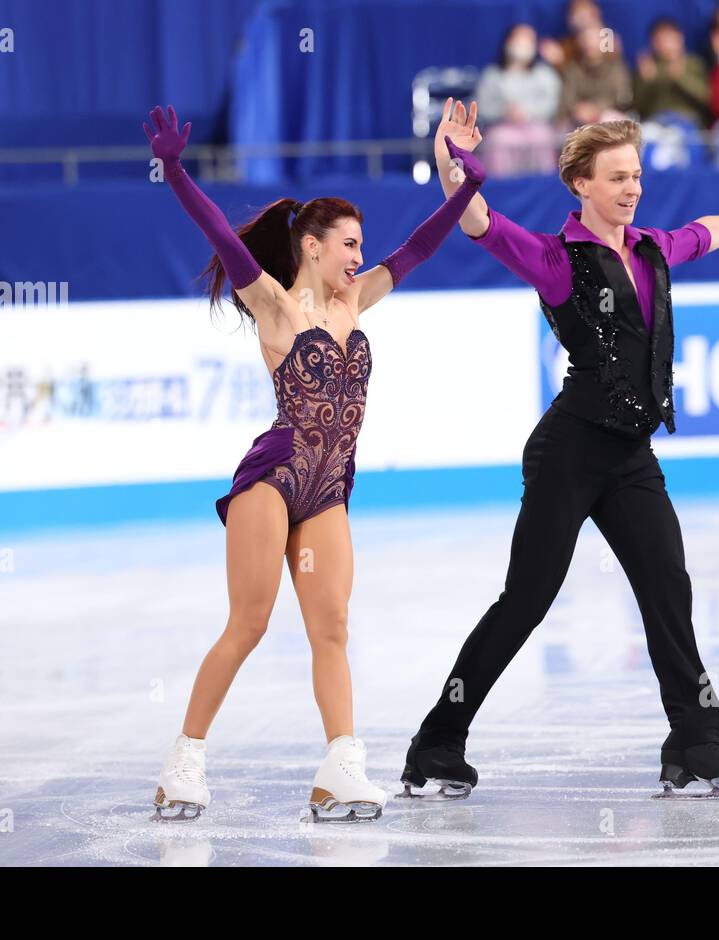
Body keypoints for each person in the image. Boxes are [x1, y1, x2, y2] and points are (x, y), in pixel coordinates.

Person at [400, 99, 719, 801]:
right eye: (617, 177)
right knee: (525, 600)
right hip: (569, 452)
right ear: (581, 185)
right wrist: (452, 170)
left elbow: (702, 233)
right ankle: (437, 743)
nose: (631, 188)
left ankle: (694, 743)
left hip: (629, 454)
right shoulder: (558, 260)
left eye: (636, 176)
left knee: (667, 586)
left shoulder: (651, 246)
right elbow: (479, 224)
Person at [141, 105, 485, 822]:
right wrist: (174, 170)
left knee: (332, 629)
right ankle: (184, 762)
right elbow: (213, 230)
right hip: (274, 476)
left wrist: (460, 186)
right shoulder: (273, 305)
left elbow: (419, 248)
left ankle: (340, 767)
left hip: (329, 487)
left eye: (362, 245)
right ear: (312, 245)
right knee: (250, 623)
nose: (361, 256)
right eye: (350, 244)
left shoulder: (354, 300)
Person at [475, 23, 562, 177]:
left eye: (528, 40)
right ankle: (501, 190)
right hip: (503, 127)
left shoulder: (545, 74)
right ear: (507, 42)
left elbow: (552, 104)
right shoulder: (492, 75)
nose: (523, 45)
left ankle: (543, 188)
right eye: (519, 39)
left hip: (536, 126)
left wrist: (527, 113)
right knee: (499, 141)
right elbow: (482, 107)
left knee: (543, 138)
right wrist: (503, 112)